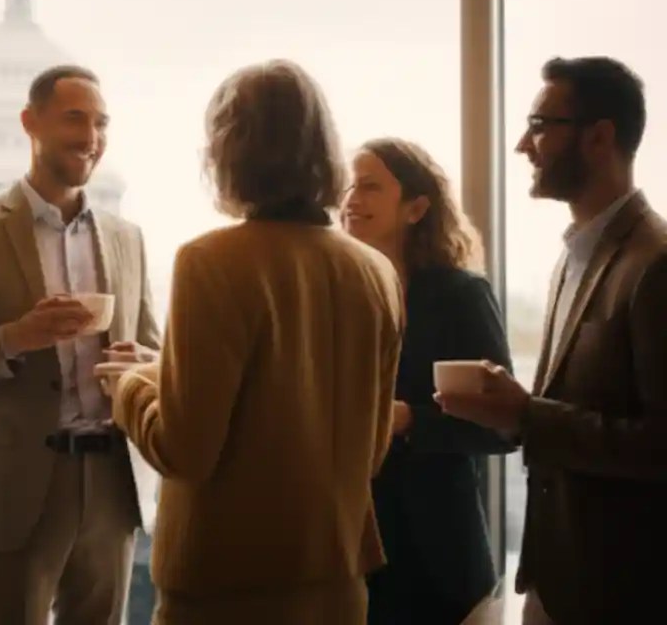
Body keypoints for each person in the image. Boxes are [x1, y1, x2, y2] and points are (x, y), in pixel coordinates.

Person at [103, 60, 403, 625]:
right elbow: (370, 443)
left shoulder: (209, 262)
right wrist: (161, 369)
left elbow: (184, 448)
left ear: (227, 150)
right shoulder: (374, 271)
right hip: (338, 577)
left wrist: (126, 388)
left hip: (226, 584)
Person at [0, 64, 162, 625]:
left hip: (110, 482)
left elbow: (153, 351)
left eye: (101, 123)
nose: (91, 138)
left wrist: (143, 364)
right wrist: (16, 337)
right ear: (30, 123)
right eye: (75, 118)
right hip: (14, 484)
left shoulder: (128, 238)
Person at [438, 56, 667, 624]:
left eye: (540, 125)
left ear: (599, 137)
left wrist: (528, 415)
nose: (523, 144)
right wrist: (514, 415)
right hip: (556, 580)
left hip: (620, 591)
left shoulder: (655, 263)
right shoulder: (572, 258)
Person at [341, 137, 516, 624]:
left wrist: (407, 419)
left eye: (370, 186)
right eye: (349, 185)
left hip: (434, 550)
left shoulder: (461, 295)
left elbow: (501, 427)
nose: (351, 199)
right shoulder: (337, 294)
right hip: (347, 547)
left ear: (417, 207)